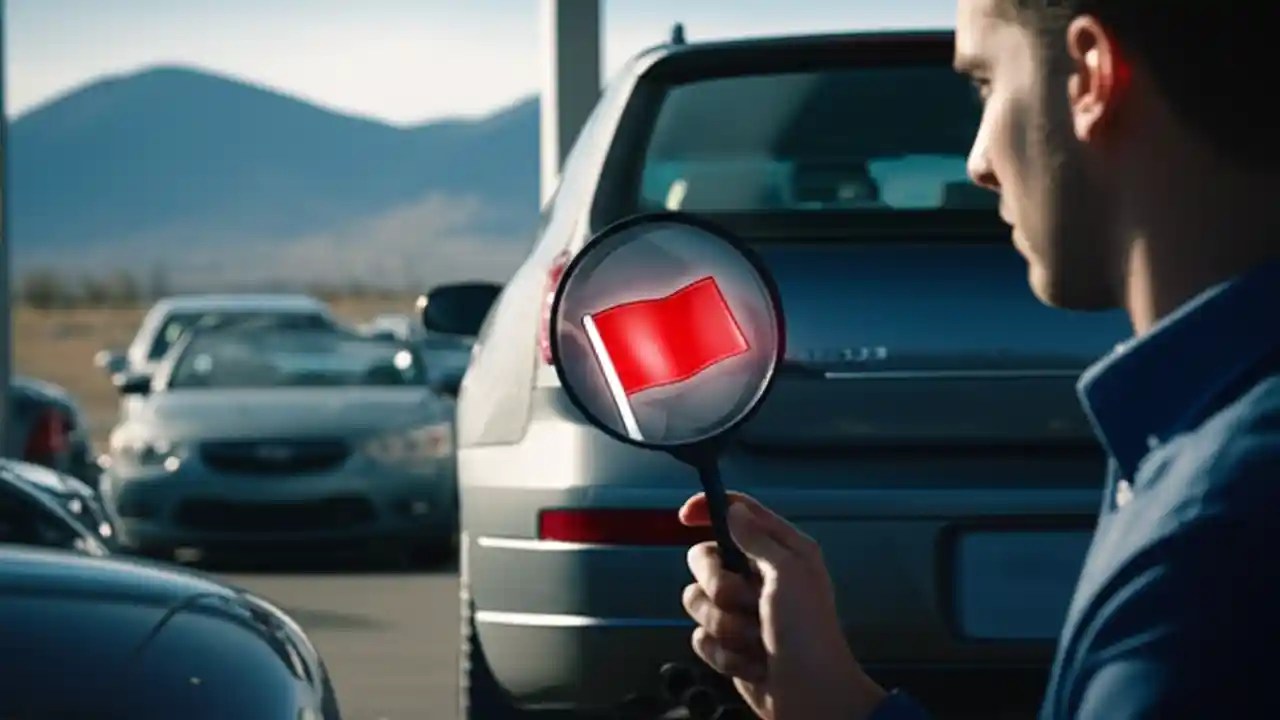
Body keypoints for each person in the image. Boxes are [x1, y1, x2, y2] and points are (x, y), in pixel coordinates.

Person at [677, 1, 1280, 718]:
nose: (978, 164)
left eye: (987, 83)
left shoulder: (1213, 553)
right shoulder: (1204, 461)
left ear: (1090, 74)